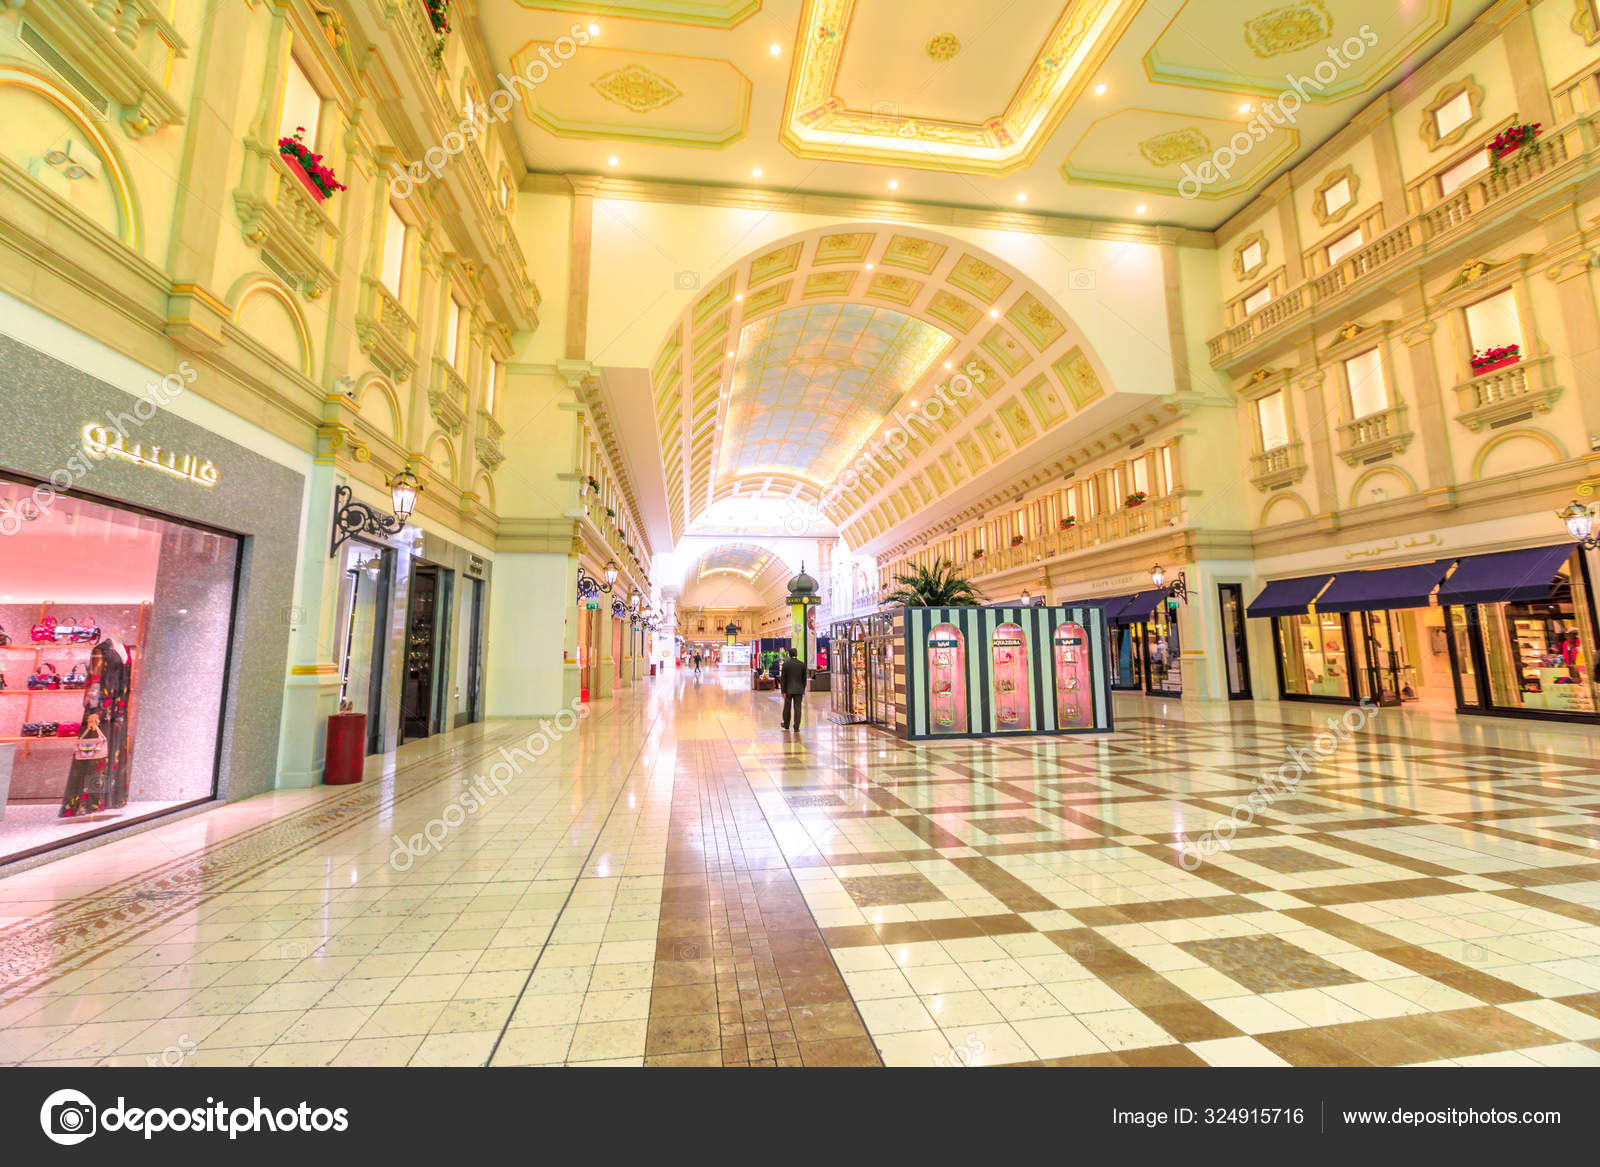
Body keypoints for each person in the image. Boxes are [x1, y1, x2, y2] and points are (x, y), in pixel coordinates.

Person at [779, 647, 808, 731]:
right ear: (796, 654)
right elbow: (804, 679)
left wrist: (783, 691)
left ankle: (786, 725)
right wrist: (803, 690)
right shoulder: (802, 664)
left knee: (787, 707)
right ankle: (796, 727)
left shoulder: (786, 664)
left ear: (789, 654)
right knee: (798, 708)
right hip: (799, 690)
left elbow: (783, 679)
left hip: (788, 690)